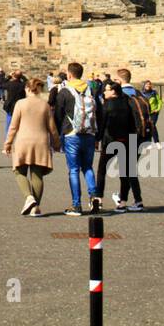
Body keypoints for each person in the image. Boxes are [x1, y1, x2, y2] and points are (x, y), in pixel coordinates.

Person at [4, 77, 59, 217]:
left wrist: (7, 144)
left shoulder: (20, 104)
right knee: (37, 174)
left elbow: (13, 126)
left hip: (23, 141)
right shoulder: (45, 105)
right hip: (41, 142)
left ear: (27, 89)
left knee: (18, 171)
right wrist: (56, 144)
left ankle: (29, 197)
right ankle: (36, 208)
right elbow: (52, 128)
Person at [95, 78, 144, 212]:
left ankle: (98, 199)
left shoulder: (108, 105)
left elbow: (102, 125)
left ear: (113, 92)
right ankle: (123, 202)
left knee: (101, 170)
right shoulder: (127, 102)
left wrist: (97, 139)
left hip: (110, 141)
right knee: (126, 172)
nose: (104, 93)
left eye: (106, 90)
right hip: (127, 140)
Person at [55, 63, 98, 215]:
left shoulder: (65, 91)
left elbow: (58, 115)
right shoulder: (90, 89)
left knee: (74, 170)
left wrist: (58, 135)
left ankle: (76, 205)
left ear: (70, 74)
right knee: (88, 167)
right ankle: (94, 196)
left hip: (72, 133)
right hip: (90, 133)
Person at [1, 69, 27, 139]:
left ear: (13, 76)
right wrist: (22, 76)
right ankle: (20, 138)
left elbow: (1, 84)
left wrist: (9, 76)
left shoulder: (10, 84)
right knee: (21, 123)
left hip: (10, 105)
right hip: (21, 105)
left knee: (9, 124)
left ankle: (8, 138)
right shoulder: (22, 85)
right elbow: (28, 82)